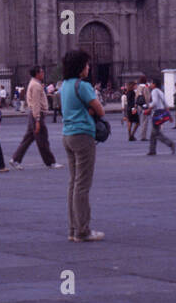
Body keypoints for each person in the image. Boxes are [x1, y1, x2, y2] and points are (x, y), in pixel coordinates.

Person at [61, 49, 105, 242]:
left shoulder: (65, 85)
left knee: (73, 183)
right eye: (87, 64)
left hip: (68, 135)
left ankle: (73, 229)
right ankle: (83, 230)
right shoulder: (83, 85)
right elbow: (101, 110)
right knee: (83, 185)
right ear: (80, 67)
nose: (89, 67)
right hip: (83, 136)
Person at [10, 66, 62, 170]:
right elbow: (36, 103)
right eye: (42, 72)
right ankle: (50, 162)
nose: (43, 73)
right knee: (42, 139)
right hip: (37, 114)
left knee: (28, 138)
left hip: (34, 114)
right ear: (37, 74)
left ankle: (16, 159)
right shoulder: (36, 86)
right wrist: (37, 119)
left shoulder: (33, 84)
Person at [145, 79, 176, 156]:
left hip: (156, 113)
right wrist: (169, 115)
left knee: (156, 133)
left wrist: (149, 108)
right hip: (162, 113)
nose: (150, 84)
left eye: (151, 83)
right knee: (153, 133)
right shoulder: (160, 91)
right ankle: (152, 150)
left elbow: (155, 102)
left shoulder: (154, 91)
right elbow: (165, 103)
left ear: (154, 84)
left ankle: (170, 144)